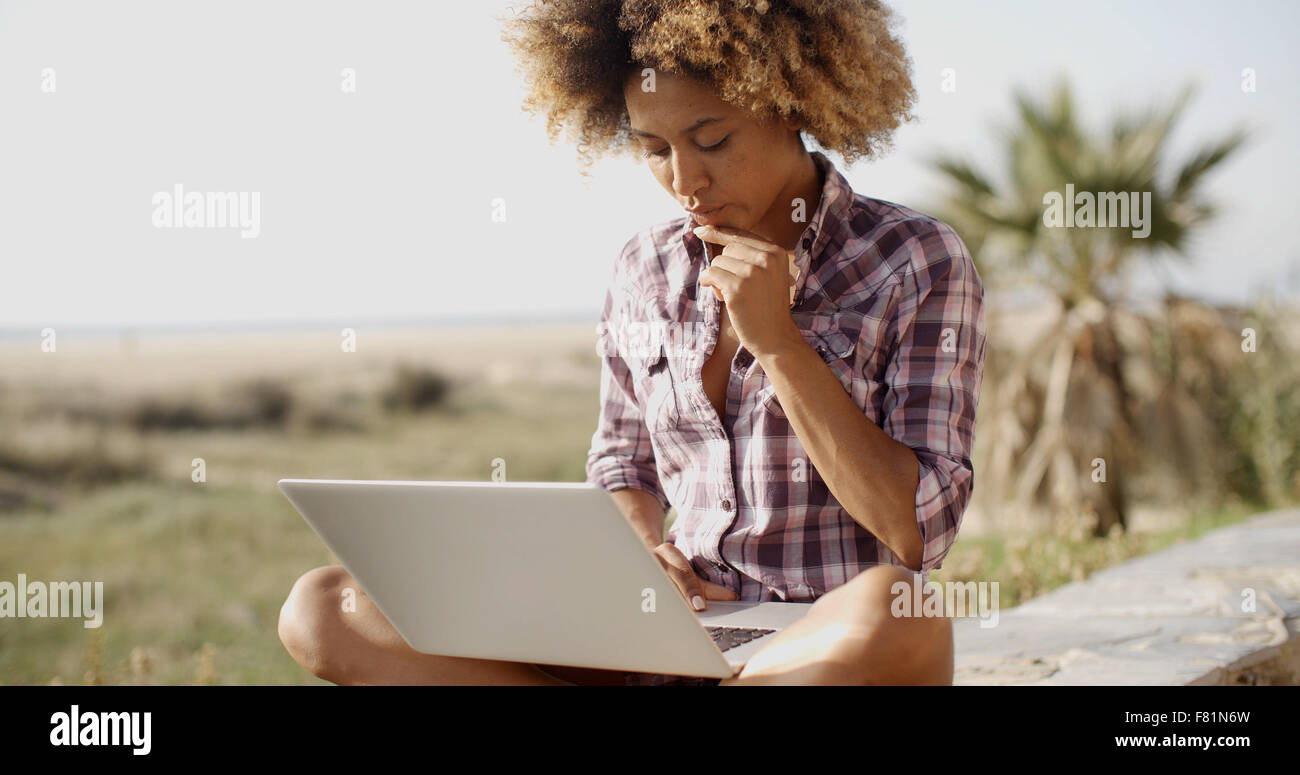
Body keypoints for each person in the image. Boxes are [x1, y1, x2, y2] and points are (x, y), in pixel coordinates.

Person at [277, 0, 986, 686]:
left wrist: (781, 347)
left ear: (792, 102)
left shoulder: (914, 259)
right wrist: (643, 552)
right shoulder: (644, 268)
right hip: (666, 629)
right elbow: (624, 466)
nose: (686, 180)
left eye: (712, 141)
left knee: (902, 608)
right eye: (653, 149)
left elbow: (918, 527)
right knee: (325, 606)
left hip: (813, 644)